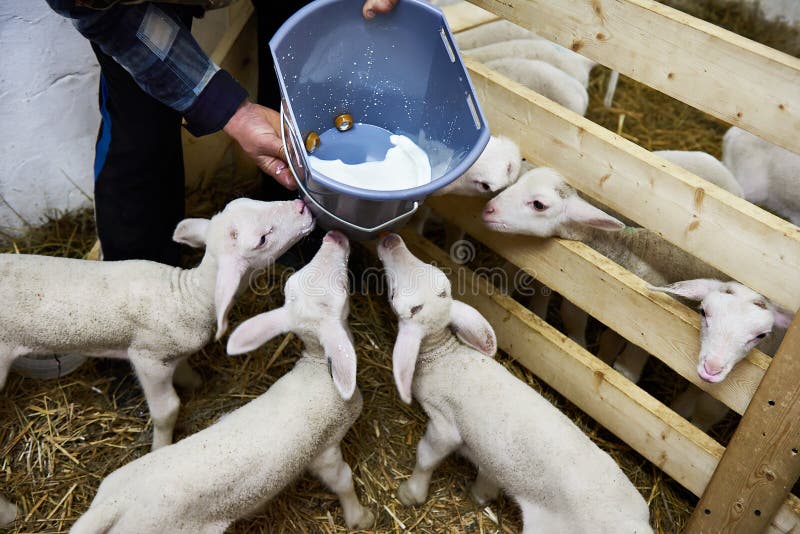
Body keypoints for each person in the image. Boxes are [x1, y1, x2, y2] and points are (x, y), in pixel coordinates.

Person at [44, 0, 398, 265]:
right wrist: (233, 111)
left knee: (304, 56)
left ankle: (300, 238)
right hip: (133, 9)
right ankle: (138, 297)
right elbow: (110, 17)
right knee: (142, 121)